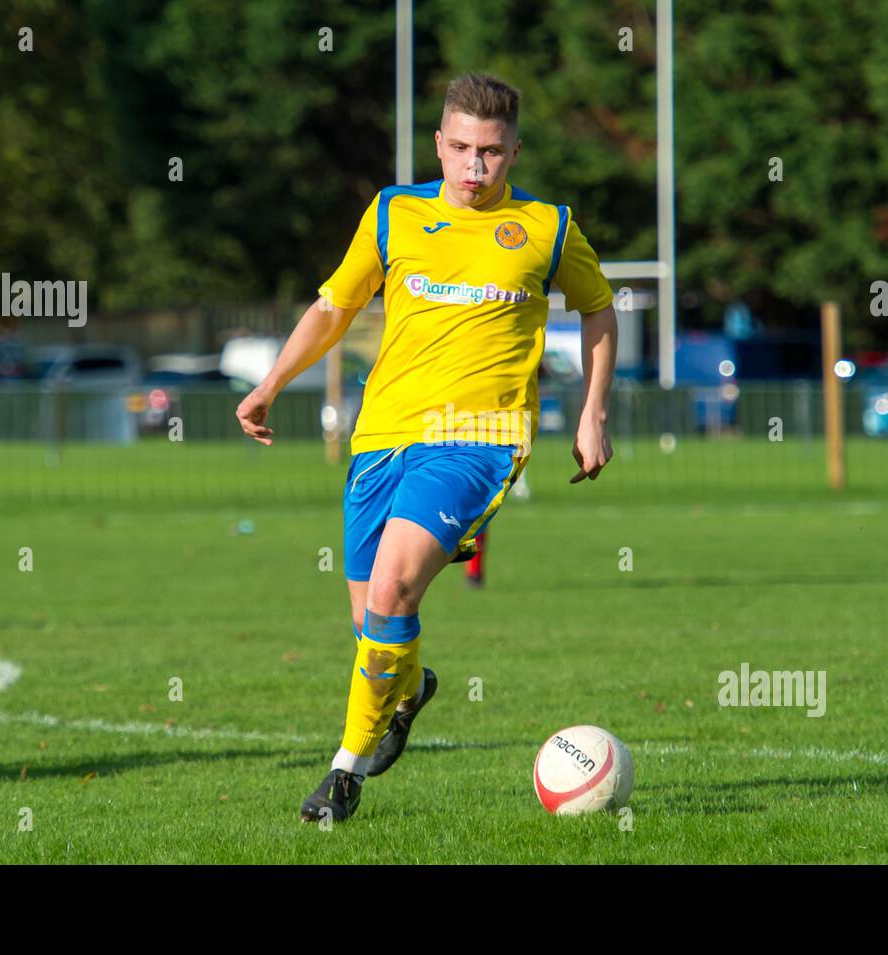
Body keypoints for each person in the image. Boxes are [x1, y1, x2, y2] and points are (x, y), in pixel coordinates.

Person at [235, 73, 618, 821]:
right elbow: (333, 306)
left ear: (516, 152)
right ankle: (409, 691)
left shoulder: (549, 228)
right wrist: (271, 383)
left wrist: (592, 411)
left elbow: (600, 311)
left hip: (478, 440)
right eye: (464, 149)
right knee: (371, 627)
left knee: (390, 592)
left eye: (494, 153)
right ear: (439, 145)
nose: (477, 168)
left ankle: (342, 773)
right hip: (380, 437)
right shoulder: (392, 213)